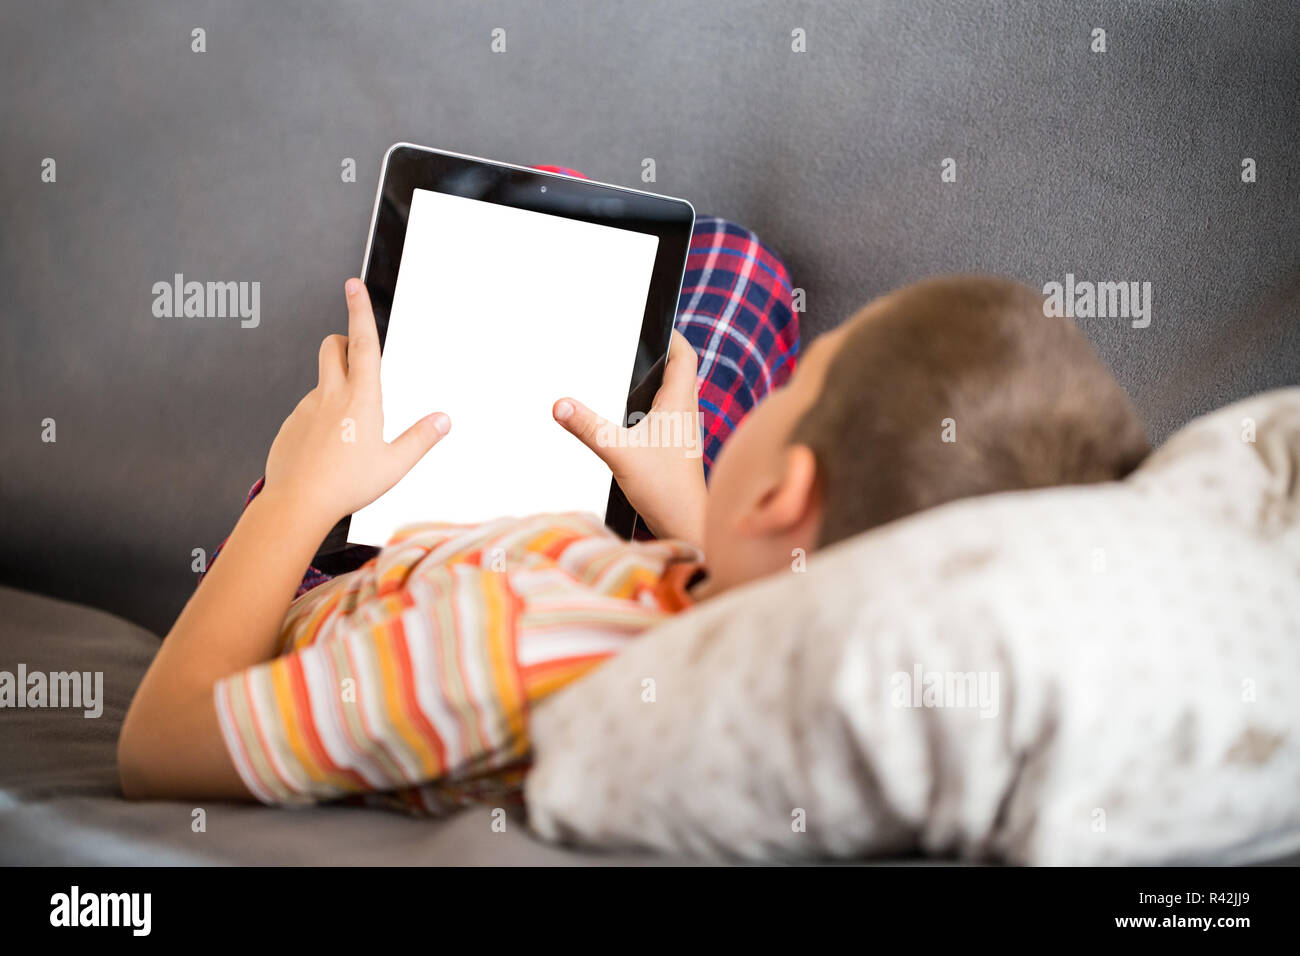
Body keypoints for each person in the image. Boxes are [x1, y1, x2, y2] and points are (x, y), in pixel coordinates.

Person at [119, 255, 1147, 813]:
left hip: (305, 601)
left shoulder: (499, 654)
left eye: (794, 387)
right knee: (725, 260)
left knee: (662, 258)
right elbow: (772, 586)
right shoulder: (791, 639)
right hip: (574, 549)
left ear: (782, 495)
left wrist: (298, 492)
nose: (773, 394)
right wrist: (691, 504)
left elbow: (158, 750)